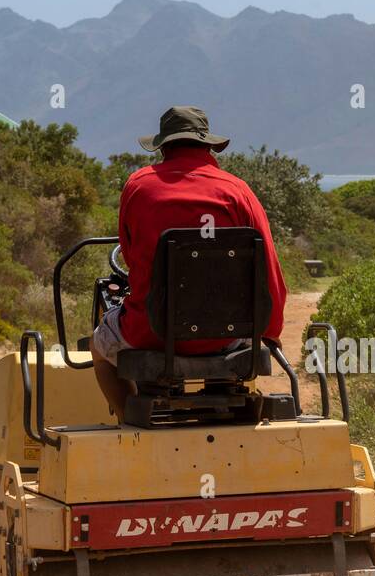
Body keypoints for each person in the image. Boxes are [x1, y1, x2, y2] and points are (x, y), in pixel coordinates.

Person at [90, 106, 288, 415]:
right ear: (209, 146)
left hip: (150, 333)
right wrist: (268, 331)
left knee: (99, 348)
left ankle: (130, 422)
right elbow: (269, 273)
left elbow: (132, 258)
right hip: (227, 338)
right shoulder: (238, 192)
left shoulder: (139, 187)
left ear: (164, 146)